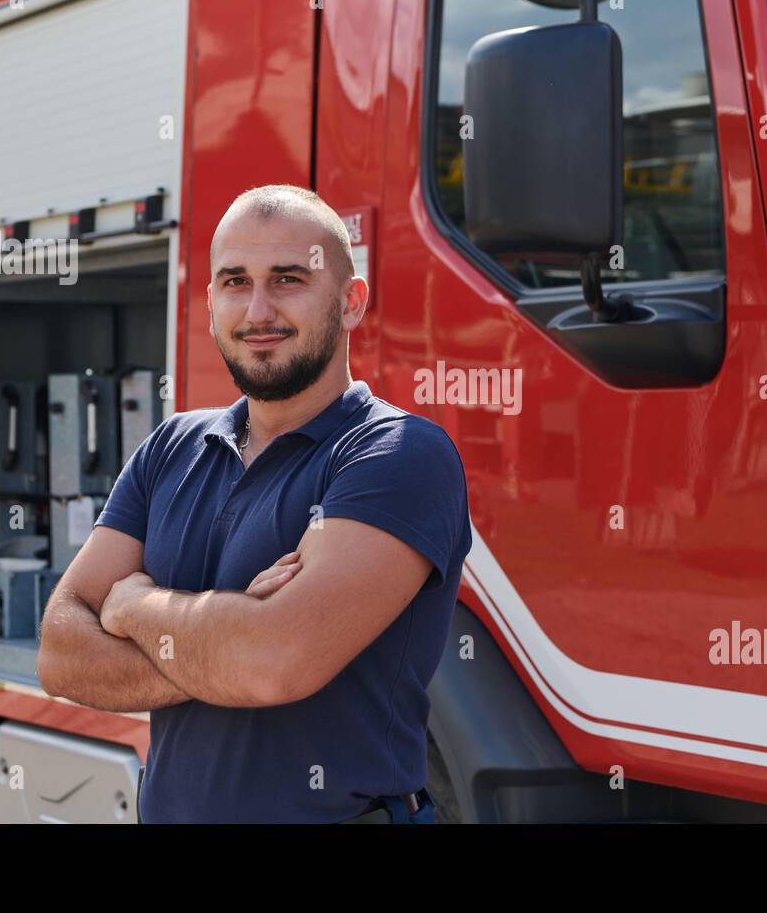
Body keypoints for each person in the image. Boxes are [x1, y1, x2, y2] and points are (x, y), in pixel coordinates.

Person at [37, 184, 472, 823]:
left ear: (351, 302)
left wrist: (132, 606)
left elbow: (272, 664)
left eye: (289, 279)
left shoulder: (401, 454)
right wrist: (229, 637)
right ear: (212, 303)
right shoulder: (171, 446)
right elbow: (59, 653)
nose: (258, 310)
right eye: (236, 282)